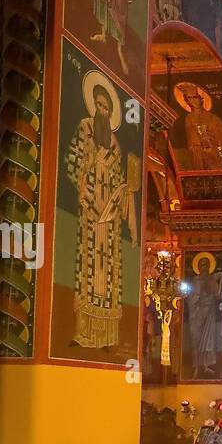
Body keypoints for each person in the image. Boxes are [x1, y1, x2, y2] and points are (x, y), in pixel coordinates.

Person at [65, 78, 138, 351]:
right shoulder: (84, 129)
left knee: (107, 281)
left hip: (108, 222)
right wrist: (89, 167)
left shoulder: (117, 145)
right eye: (99, 105)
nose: (103, 111)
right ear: (93, 105)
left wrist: (122, 197)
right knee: (88, 274)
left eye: (107, 108)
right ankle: (83, 333)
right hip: (90, 213)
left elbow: (120, 180)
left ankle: (107, 339)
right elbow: (71, 163)